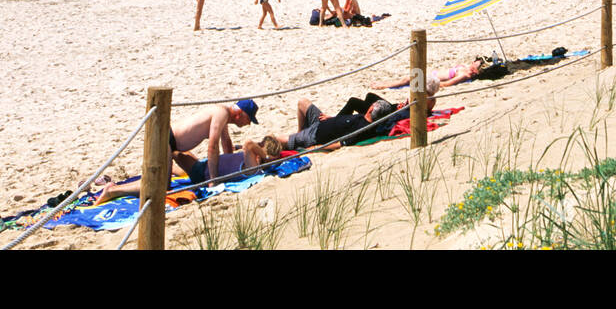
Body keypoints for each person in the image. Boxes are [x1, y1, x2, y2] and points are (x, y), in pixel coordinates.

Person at [93, 134, 281, 204]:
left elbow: (248, 143)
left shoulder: (254, 168)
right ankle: (172, 170)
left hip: (202, 172)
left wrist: (263, 156)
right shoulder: (253, 163)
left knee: (170, 152)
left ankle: (114, 190)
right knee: (173, 151)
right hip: (202, 165)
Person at [277, 95, 399, 151]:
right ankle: (300, 131)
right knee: (302, 102)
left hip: (314, 135)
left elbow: (340, 144)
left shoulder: (362, 129)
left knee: (278, 139)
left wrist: (316, 147)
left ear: (371, 109)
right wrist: (332, 118)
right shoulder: (365, 118)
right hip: (322, 121)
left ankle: (298, 137)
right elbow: (346, 120)